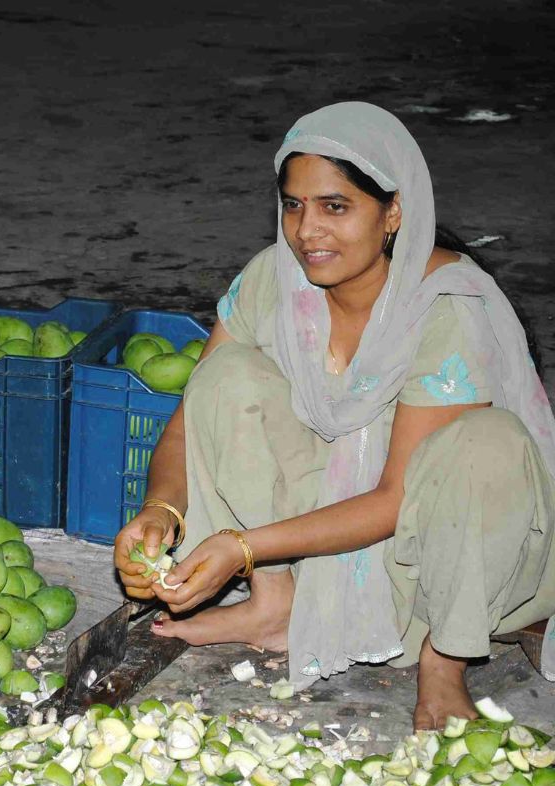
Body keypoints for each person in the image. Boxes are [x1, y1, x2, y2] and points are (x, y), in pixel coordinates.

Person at [114, 101, 555, 730]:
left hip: (445, 555)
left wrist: (241, 547)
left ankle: (445, 657)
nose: (307, 231)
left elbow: (395, 498)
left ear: (393, 211)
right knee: (227, 376)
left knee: (485, 442)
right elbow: (190, 418)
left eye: (335, 207)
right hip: (331, 543)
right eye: (294, 205)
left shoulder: (448, 309)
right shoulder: (275, 279)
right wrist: (163, 509)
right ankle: (277, 607)